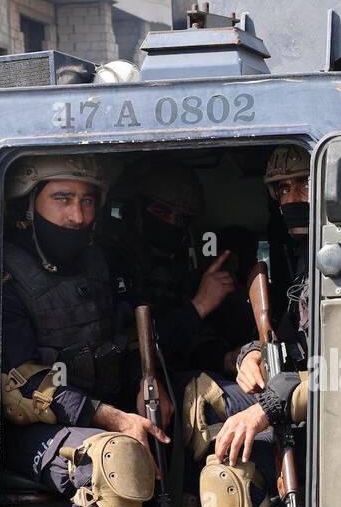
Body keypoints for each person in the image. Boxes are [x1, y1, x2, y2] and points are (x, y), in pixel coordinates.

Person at [0, 154, 175, 507]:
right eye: (62, 199)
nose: (78, 215)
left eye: (87, 200)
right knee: (110, 459)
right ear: (30, 206)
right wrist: (112, 418)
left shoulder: (100, 263)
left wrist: (153, 386)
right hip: (26, 434)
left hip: (98, 416)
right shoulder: (4, 270)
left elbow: (121, 341)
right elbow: (19, 386)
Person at [175, 145, 313, 507]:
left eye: (302, 185)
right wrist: (247, 354)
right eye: (280, 191)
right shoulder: (284, 252)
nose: (291, 199)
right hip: (294, 392)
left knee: (246, 431)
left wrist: (269, 406)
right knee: (213, 413)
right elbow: (285, 337)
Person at [100, 157, 241, 374]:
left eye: (181, 220)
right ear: (135, 210)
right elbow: (125, 348)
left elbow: (192, 338)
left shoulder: (172, 269)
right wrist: (200, 305)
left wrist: (223, 358)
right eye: (161, 213)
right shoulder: (106, 263)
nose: (171, 224)